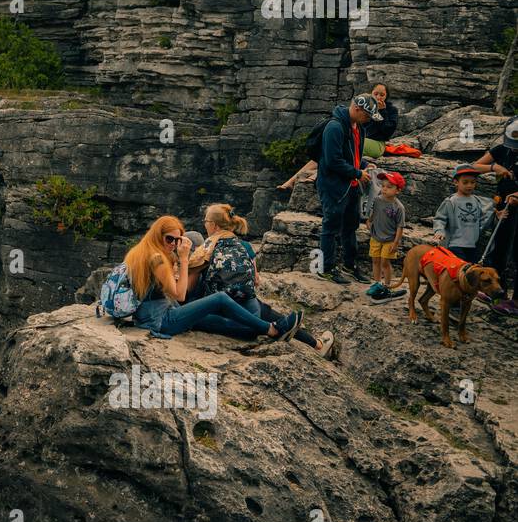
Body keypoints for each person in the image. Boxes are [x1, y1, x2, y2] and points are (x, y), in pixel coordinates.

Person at [128, 215, 301, 341]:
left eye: (177, 239)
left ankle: (276, 329)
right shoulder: (157, 259)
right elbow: (180, 295)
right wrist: (183, 258)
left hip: (155, 314)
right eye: (169, 239)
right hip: (162, 321)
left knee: (234, 326)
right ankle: (272, 330)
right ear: (158, 235)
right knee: (219, 299)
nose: (173, 244)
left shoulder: (142, 251)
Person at [190, 204, 333, 355]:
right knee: (266, 311)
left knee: (246, 320)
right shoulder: (243, 245)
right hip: (244, 297)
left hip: (221, 305)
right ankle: (316, 344)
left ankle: (272, 329)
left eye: (205, 221)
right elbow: (255, 279)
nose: (204, 224)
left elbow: (189, 289)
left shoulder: (207, 247)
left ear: (214, 224)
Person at [281, 83, 398, 191]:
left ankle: (315, 175)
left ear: (386, 97)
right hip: (361, 139)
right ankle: (292, 180)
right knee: (330, 149)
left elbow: (387, 132)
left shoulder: (391, 110)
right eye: (375, 93)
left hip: (377, 144)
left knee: (343, 147)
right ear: (371, 93)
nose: (378, 97)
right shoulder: (363, 108)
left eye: (382, 95)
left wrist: (382, 112)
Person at [316, 94, 379, 285]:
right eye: (368, 115)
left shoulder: (358, 127)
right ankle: (326, 268)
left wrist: (365, 164)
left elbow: (354, 155)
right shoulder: (334, 127)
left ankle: (349, 266)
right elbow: (332, 161)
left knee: (350, 226)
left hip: (351, 185)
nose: (369, 120)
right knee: (330, 227)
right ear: (358, 109)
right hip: (334, 186)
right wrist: (358, 174)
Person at [470, 116, 518, 314]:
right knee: (499, 246)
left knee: (517, 252)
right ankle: (497, 291)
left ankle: (516, 301)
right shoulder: (502, 150)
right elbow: (472, 167)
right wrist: (493, 167)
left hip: (515, 204)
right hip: (504, 208)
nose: (514, 148)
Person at [433, 164, 516, 262]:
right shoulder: (451, 201)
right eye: (465, 182)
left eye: (473, 182)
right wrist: (439, 231)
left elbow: (483, 221)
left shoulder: (477, 201)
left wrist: (496, 217)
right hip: (454, 244)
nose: (469, 185)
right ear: (456, 182)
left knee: (470, 272)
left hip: (472, 245)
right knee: (459, 271)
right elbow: (440, 218)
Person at [365, 171, 409, 304]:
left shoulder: (399, 207)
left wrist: (396, 242)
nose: (384, 189)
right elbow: (374, 213)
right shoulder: (378, 200)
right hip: (376, 236)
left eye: (389, 187)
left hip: (389, 239)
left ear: (398, 190)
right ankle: (377, 283)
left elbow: (400, 227)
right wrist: (369, 220)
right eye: (383, 186)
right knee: (375, 260)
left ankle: (387, 286)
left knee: (385, 262)